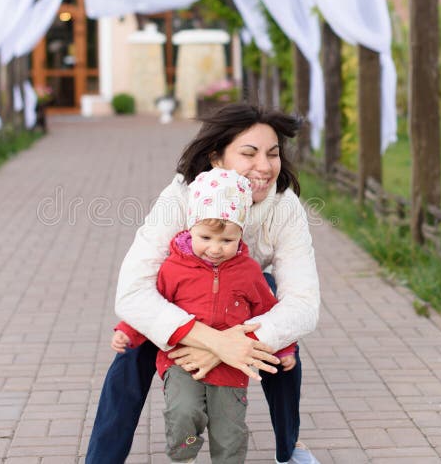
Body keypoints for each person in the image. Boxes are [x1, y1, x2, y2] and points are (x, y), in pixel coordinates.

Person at [87, 104, 321, 464]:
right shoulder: (180, 197)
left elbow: (303, 305)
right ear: (216, 158)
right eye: (249, 153)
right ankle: (102, 458)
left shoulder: (284, 206)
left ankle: (288, 450)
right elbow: (133, 292)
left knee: (281, 333)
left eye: (272, 154)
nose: (264, 166)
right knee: (133, 347)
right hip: (181, 297)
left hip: (243, 303)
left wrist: (234, 344)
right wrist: (211, 341)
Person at [112, 168, 296, 463]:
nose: (215, 248)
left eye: (226, 240)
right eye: (206, 237)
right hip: (181, 360)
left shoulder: (247, 271)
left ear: (240, 233)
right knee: (184, 412)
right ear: (190, 229)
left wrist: (285, 347)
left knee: (229, 432)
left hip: (231, 368)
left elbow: (267, 310)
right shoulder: (174, 268)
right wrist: (127, 331)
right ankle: (184, 456)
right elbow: (152, 303)